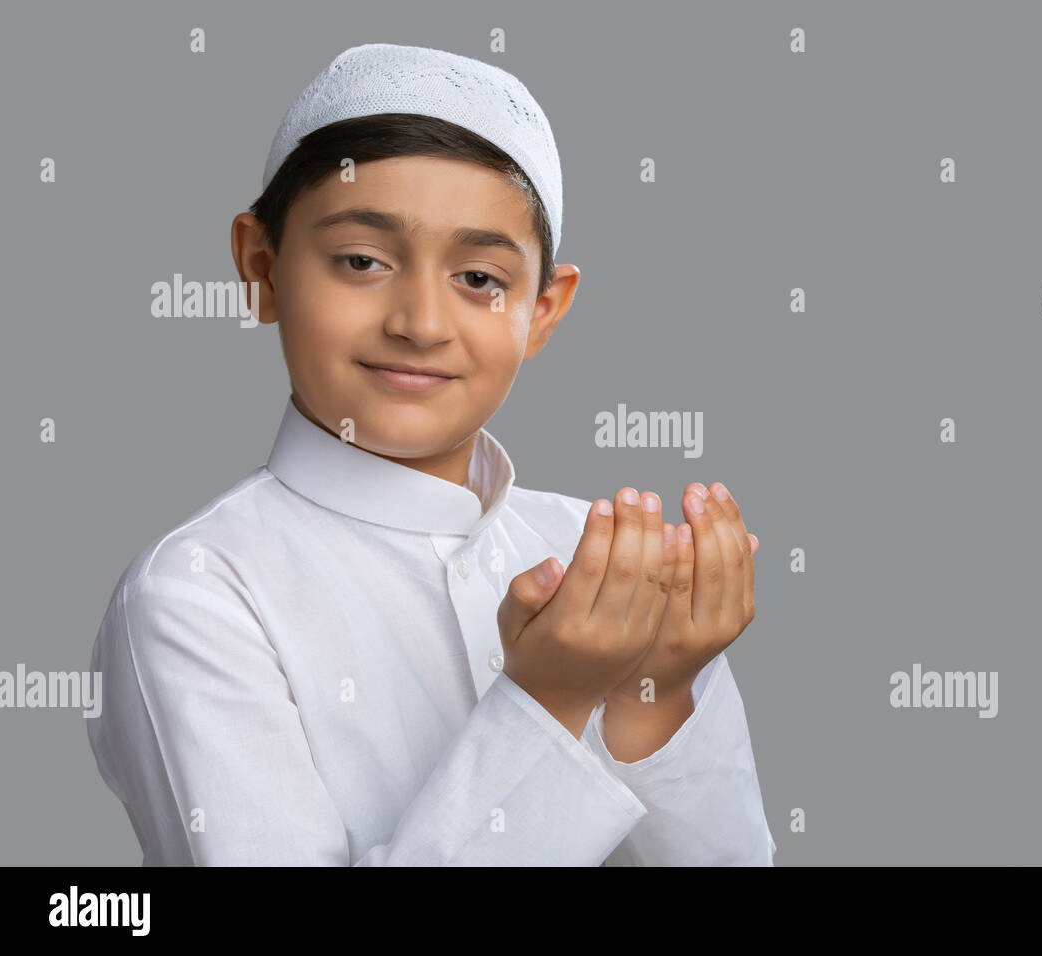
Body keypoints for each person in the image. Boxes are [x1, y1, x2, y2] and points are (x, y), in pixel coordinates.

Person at [86, 43, 776, 865]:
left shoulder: (601, 567)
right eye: (361, 261)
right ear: (261, 266)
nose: (420, 321)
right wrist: (547, 702)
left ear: (544, 311)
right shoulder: (196, 592)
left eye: (480, 278)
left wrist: (649, 700)